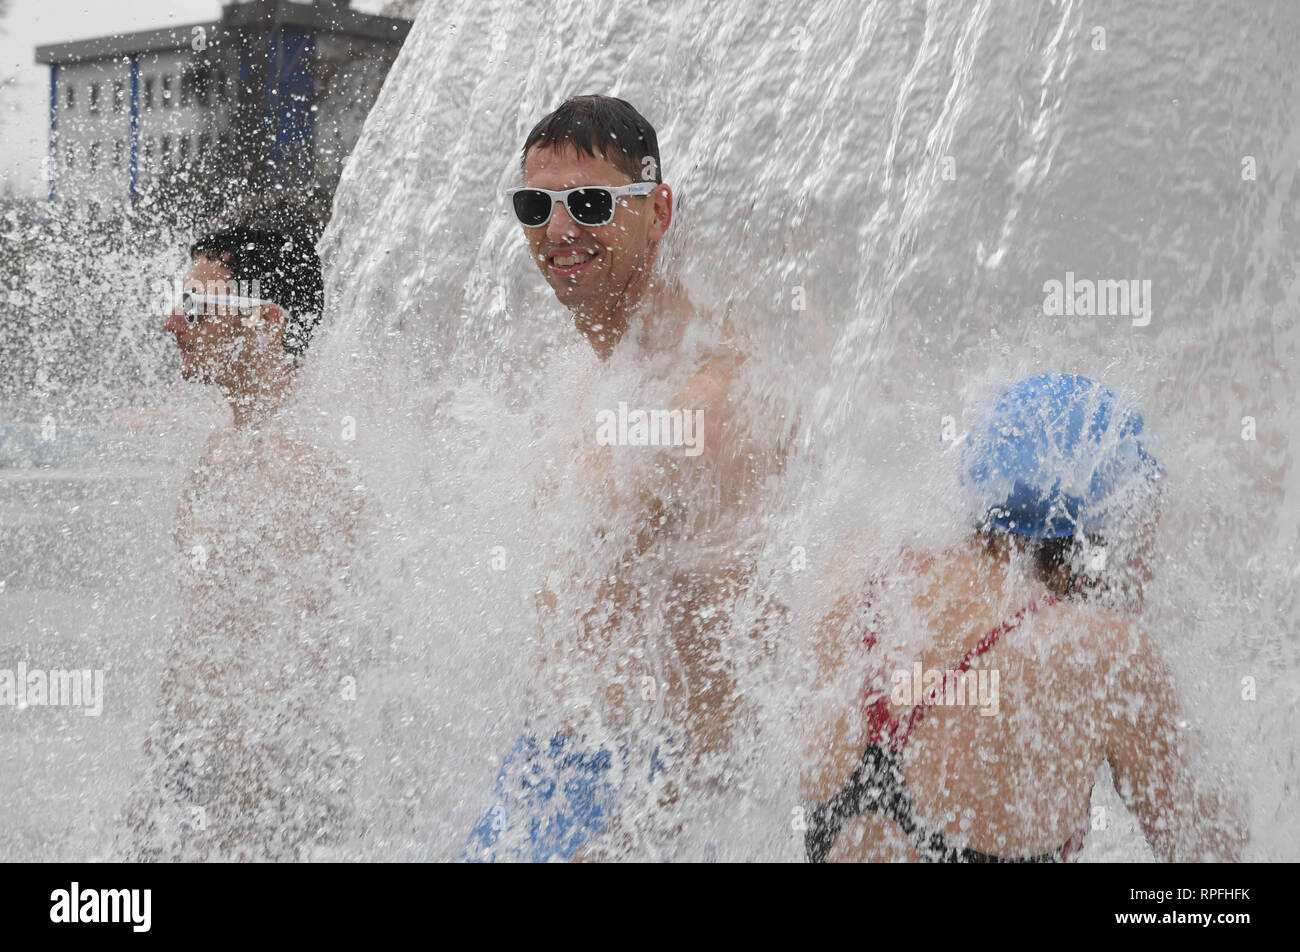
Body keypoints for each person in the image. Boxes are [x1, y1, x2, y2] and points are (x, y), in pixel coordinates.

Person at [462, 95, 778, 861]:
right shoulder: (585, 379)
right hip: (555, 767)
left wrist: (636, 836)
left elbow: (737, 659)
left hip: (639, 795)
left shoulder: (709, 401)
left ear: (658, 209)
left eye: (592, 203)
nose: (559, 231)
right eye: (537, 205)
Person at [801, 372, 1246, 862]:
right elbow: (1215, 866)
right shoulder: (1103, 653)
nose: (1147, 569)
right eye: (1139, 538)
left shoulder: (855, 577)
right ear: (1092, 542)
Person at [122, 201, 364, 861]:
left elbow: (297, 674)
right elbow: (194, 639)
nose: (173, 322)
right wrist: (151, 792)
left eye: (196, 308)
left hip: (270, 797)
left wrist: (231, 828)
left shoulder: (306, 474)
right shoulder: (221, 447)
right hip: (197, 767)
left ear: (267, 320)